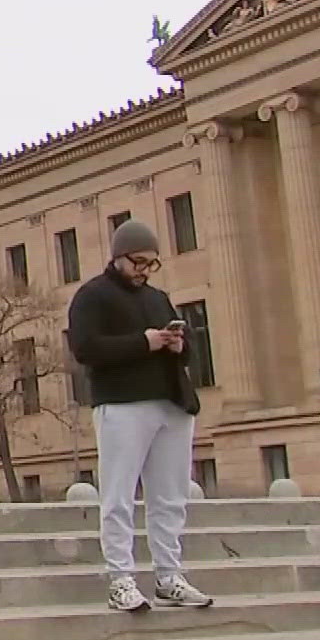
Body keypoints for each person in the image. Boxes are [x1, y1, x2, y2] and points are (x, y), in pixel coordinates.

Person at [66, 219, 213, 613]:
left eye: (151, 263)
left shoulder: (158, 298)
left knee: (171, 496)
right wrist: (143, 342)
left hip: (171, 402)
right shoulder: (92, 296)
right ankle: (121, 579)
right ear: (118, 257)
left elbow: (189, 351)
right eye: (138, 262)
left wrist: (177, 344)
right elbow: (85, 348)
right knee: (119, 495)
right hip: (122, 403)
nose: (145, 270)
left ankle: (169, 575)